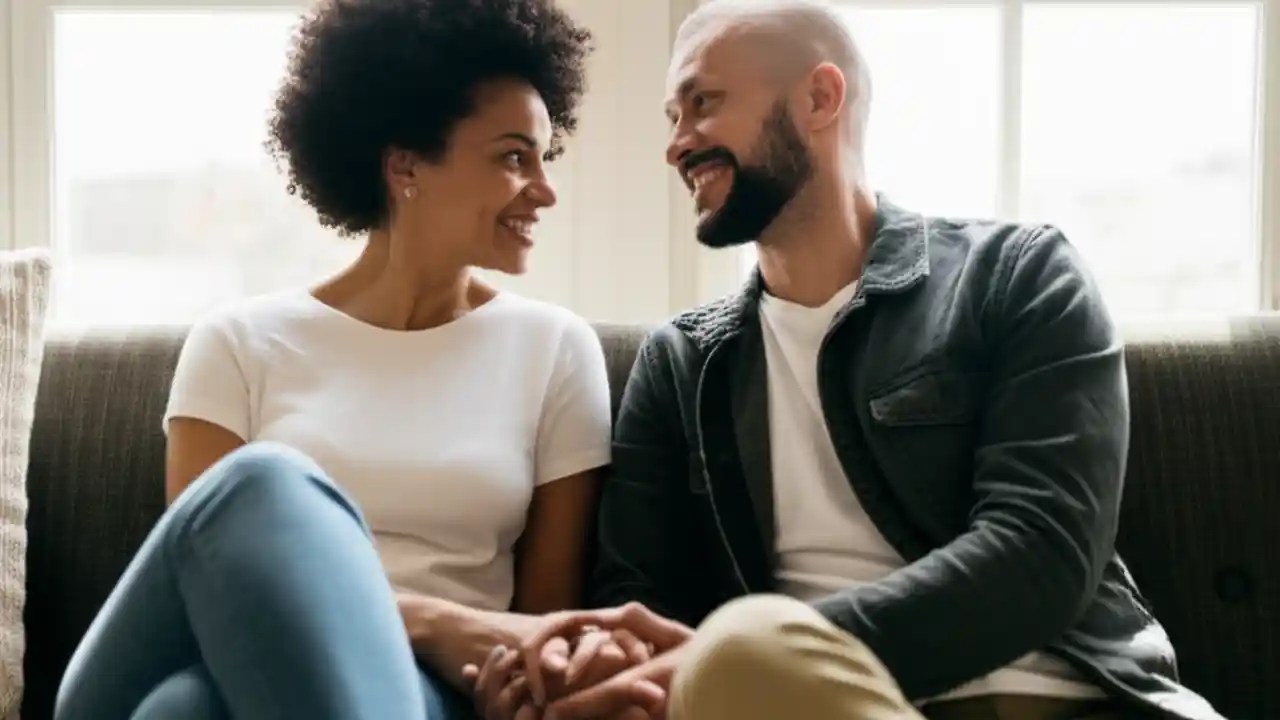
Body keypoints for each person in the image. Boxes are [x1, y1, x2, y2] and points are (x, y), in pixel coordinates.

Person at [503, 1, 1228, 719]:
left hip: (1067, 702)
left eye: (704, 102)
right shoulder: (684, 364)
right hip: (803, 703)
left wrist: (770, 647)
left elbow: (1042, 557)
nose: (677, 143)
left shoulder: (1019, 277)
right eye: (672, 115)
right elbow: (637, 601)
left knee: (744, 649)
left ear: (820, 98)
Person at [52, 1, 646, 718]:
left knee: (181, 713)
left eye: (545, 159)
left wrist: (431, 637)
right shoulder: (238, 344)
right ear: (406, 167)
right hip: (231, 651)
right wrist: (443, 620)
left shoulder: (555, 349)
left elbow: (534, 630)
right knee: (260, 484)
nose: (544, 189)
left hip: (436, 697)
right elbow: (206, 584)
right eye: (513, 157)